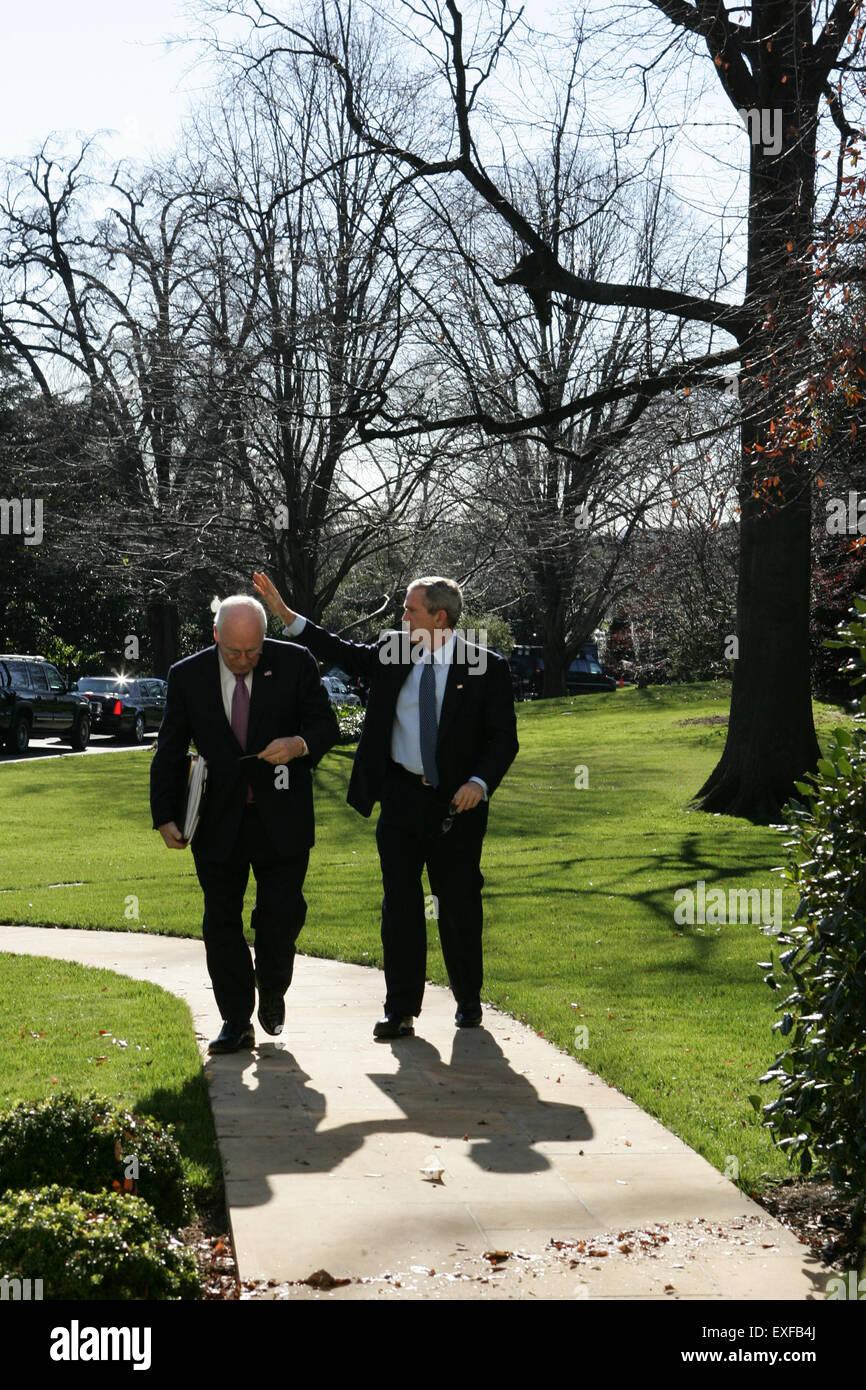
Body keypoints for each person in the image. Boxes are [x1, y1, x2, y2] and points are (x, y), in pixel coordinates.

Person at [252, 570, 519, 1039]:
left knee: (457, 903)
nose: (402, 617)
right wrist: (284, 614)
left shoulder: (484, 665)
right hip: (401, 798)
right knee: (399, 905)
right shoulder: (395, 650)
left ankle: (468, 999)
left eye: (410, 610)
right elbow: (342, 653)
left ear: (438, 618)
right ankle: (400, 1010)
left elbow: (503, 739)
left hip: (457, 806)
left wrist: (479, 781)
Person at [150, 595, 340, 1053]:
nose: (243, 661)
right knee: (221, 922)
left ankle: (272, 990)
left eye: (253, 651)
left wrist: (297, 744)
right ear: (215, 636)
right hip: (217, 820)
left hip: (282, 817)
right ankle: (236, 1019)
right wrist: (164, 816)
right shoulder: (187, 674)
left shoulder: (294, 662)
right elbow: (170, 748)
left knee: (279, 915)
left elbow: (326, 726)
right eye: (234, 652)